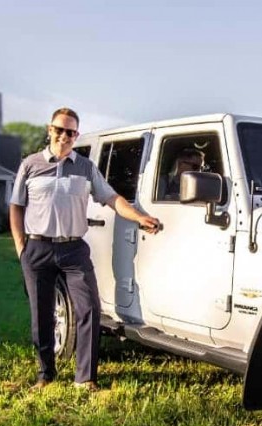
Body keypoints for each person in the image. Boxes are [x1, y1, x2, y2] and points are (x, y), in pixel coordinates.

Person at [9, 107, 160, 392]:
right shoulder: (30, 164)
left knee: (89, 307)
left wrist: (139, 217)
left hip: (74, 250)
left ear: (76, 135)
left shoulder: (86, 167)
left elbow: (112, 198)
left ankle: (85, 378)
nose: (64, 136)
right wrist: (21, 247)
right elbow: (16, 206)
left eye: (71, 131)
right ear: (49, 130)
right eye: (59, 129)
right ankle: (45, 374)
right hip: (37, 248)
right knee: (41, 314)